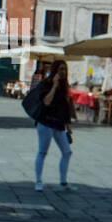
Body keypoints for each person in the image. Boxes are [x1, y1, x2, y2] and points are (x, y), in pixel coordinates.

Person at [31, 58, 74, 191]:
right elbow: (47, 102)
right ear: (55, 70)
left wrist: (68, 126)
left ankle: (63, 182)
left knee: (67, 152)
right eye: (61, 69)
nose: (63, 72)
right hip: (46, 122)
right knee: (43, 152)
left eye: (65, 69)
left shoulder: (65, 86)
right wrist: (54, 86)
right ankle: (38, 181)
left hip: (59, 124)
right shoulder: (46, 84)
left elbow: (65, 107)